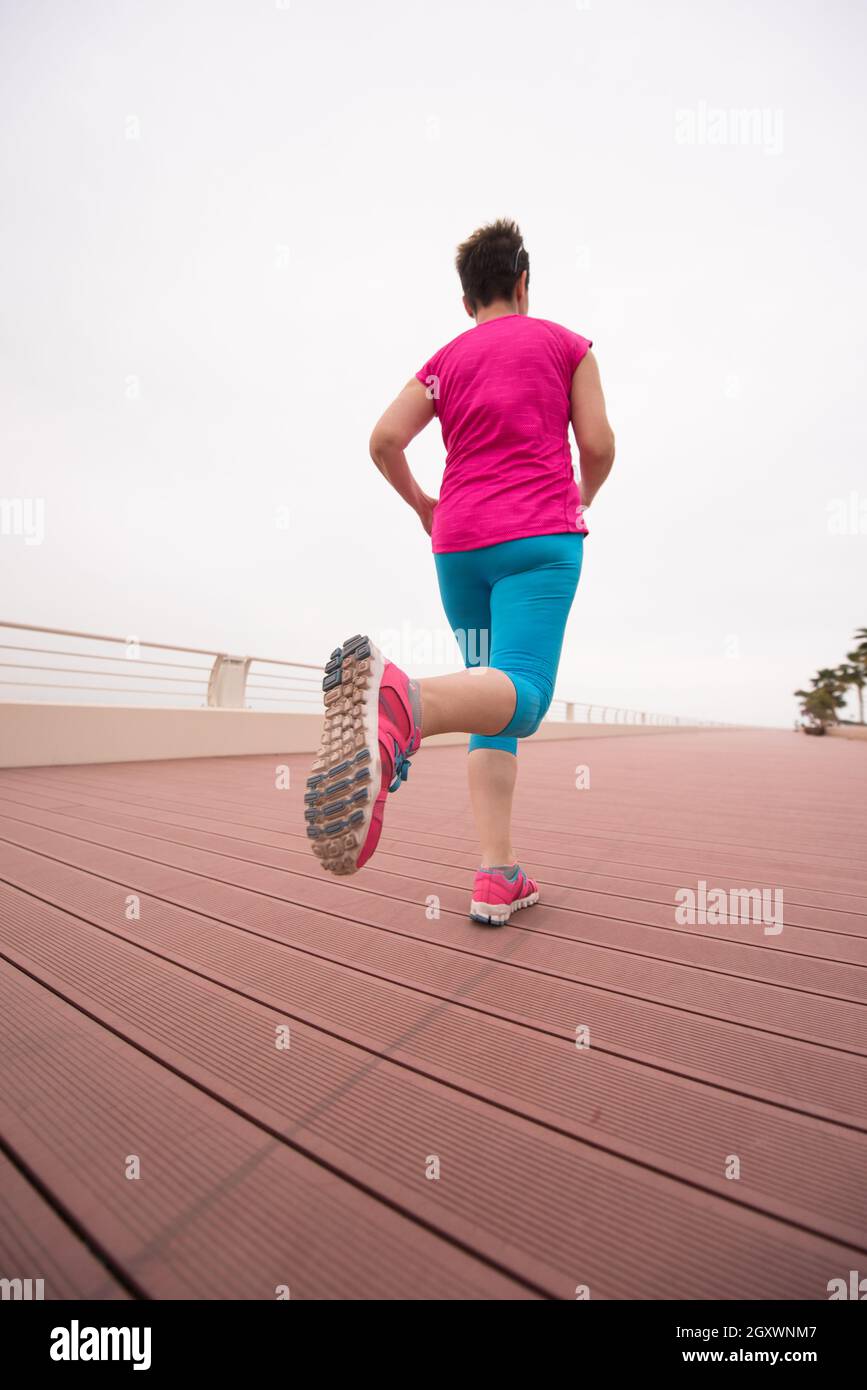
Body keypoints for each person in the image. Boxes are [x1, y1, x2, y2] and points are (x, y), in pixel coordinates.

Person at [305, 218, 615, 924]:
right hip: (538, 538)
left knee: (490, 696)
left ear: (466, 297)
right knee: (526, 695)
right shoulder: (568, 347)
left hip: (458, 549)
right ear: (522, 282)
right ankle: (405, 705)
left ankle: (496, 874)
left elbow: (384, 438)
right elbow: (597, 443)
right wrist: (583, 494)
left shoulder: (443, 361)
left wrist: (422, 505)